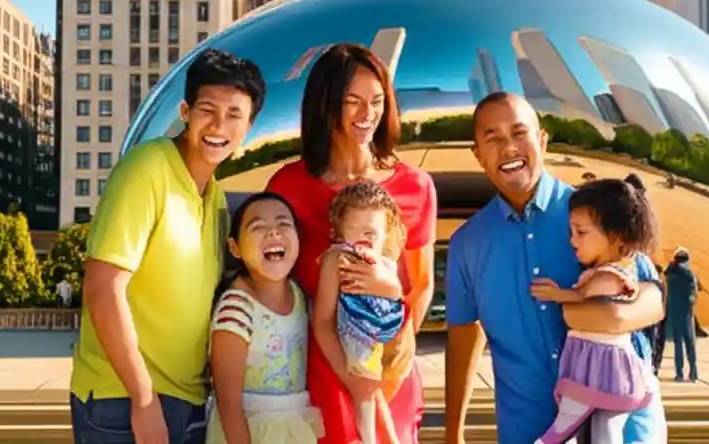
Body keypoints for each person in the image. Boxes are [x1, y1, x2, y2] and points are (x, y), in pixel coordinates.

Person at [444, 92, 667, 444]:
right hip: (526, 428)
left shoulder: (595, 213)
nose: (509, 147)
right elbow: (464, 335)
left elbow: (652, 293)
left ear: (542, 140)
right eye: (494, 138)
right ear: (477, 155)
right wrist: (453, 433)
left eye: (520, 133)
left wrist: (610, 317)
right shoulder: (467, 245)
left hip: (622, 428)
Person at [70, 48, 266, 444]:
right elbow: (103, 288)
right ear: (185, 111)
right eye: (207, 110)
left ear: (249, 125)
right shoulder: (147, 169)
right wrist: (142, 399)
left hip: (186, 400)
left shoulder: (213, 198)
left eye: (234, 115)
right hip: (123, 400)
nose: (218, 125)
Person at [266, 43, 437, 444]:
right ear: (326, 105)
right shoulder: (288, 188)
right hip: (319, 372)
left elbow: (422, 283)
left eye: (377, 101)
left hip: (388, 367)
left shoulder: (415, 187)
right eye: (353, 101)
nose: (368, 115)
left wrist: (392, 356)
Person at [529, 175, 660, 443]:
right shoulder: (603, 271)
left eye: (581, 232)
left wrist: (561, 298)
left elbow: (599, 312)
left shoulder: (610, 276)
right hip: (604, 366)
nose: (572, 240)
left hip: (604, 367)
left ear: (616, 236)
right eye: (571, 232)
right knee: (592, 423)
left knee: (591, 422)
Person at [207, 192, 322, 444]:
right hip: (250, 432)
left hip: (294, 429)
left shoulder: (299, 295)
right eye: (258, 227)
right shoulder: (236, 308)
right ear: (234, 247)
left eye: (284, 224)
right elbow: (228, 403)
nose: (274, 233)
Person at [315, 181, 408, 444]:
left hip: (379, 346)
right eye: (353, 230)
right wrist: (343, 367)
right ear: (340, 231)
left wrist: (390, 286)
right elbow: (323, 321)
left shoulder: (386, 263)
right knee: (365, 401)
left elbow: (397, 302)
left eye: (371, 232)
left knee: (374, 396)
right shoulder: (338, 260)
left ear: (386, 233)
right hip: (351, 348)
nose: (362, 237)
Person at [664, 247, 699, 382]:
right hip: (686, 313)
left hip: (674, 313)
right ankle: (693, 372)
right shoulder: (689, 276)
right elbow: (694, 294)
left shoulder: (669, 275)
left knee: (678, 345)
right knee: (690, 344)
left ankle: (679, 373)